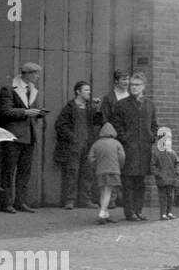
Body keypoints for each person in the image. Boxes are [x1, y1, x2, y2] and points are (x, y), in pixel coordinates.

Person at [111, 73, 158, 222]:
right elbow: (116, 125)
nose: (134, 88)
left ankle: (138, 211)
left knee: (140, 182)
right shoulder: (121, 105)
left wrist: (151, 136)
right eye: (132, 85)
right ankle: (129, 213)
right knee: (128, 181)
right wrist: (125, 138)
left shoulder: (150, 105)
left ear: (144, 87)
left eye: (137, 85)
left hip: (144, 149)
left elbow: (154, 124)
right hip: (128, 148)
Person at [0, 62, 44, 213]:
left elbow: (28, 111)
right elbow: (5, 111)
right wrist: (25, 112)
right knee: (9, 171)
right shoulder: (9, 89)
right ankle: (6, 203)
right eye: (35, 74)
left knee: (25, 171)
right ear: (27, 74)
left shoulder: (32, 90)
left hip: (29, 136)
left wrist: (39, 113)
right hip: (12, 137)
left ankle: (20, 202)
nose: (37, 77)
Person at [54, 81, 98, 210]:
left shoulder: (90, 107)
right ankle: (70, 201)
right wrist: (72, 138)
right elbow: (60, 125)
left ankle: (85, 200)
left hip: (88, 145)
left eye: (89, 90)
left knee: (87, 173)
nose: (89, 92)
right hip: (73, 147)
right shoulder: (69, 107)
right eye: (86, 90)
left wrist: (96, 109)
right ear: (78, 92)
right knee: (72, 173)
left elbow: (97, 122)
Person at [97, 69, 131, 210]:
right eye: (123, 79)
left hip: (129, 138)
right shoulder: (109, 98)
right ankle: (111, 200)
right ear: (116, 81)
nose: (126, 82)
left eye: (127, 79)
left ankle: (123, 198)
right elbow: (105, 119)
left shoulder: (131, 96)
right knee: (113, 170)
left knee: (127, 168)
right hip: (115, 138)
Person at [87, 123, 125, 225]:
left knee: (103, 192)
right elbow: (122, 157)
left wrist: (96, 166)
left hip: (100, 172)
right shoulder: (117, 143)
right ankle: (102, 213)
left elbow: (91, 158)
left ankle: (106, 214)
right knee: (108, 192)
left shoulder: (96, 144)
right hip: (113, 171)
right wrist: (119, 166)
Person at [152, 127, 179, 220]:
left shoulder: (172, 153)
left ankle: (169, 212)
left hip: (171, 178)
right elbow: (153, 165)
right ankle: (163, 213)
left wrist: (176, 171)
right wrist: (158, 174)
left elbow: (177, 163)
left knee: (170, 197)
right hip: (162, 178)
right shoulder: (157, 153)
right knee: (163, 197)